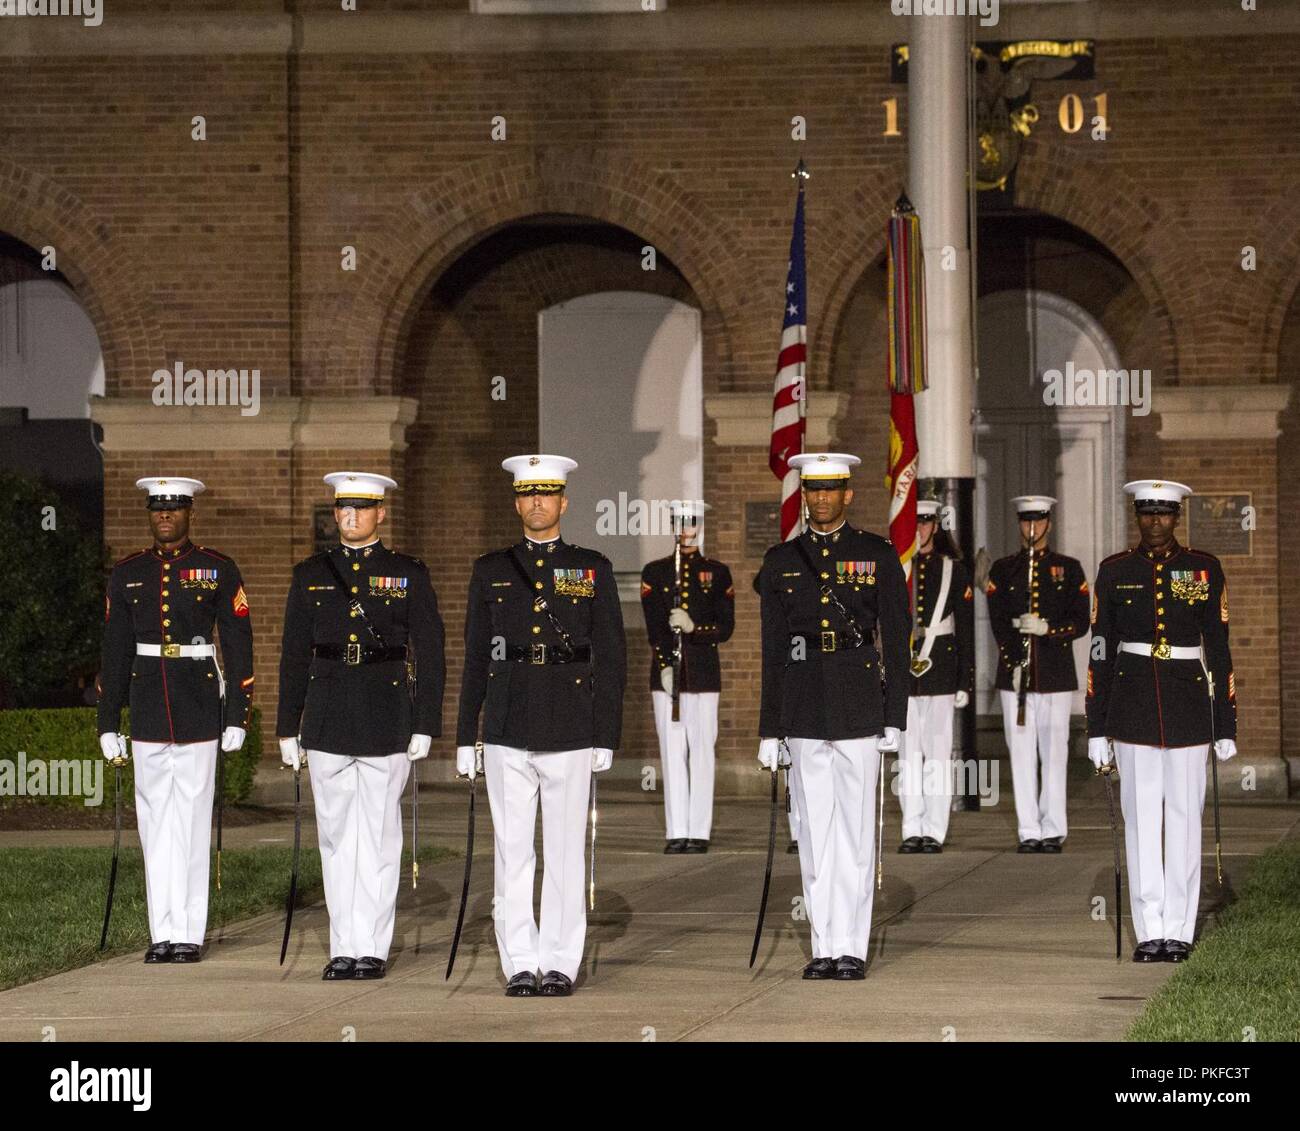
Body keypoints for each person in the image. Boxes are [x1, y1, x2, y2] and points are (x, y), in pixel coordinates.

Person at [455, 454, 627, 997]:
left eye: (547, 493)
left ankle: (560, 961)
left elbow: (613, 656)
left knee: (564, 851)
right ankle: (519, 963)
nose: (537, 502)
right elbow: (476, 654)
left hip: (571, 721)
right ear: (516, 503)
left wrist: (606, 732)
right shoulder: (491, 568)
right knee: (512, 852)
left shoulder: (590, 567)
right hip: (507, 721)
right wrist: (466, 733)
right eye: (528, 493)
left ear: (563, 503)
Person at [277, 472, 445, 981]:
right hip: (327, 714)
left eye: (361, 508)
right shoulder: (310, 573)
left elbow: (431, 651)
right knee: (334, 837)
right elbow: (292, 655)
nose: (349, 517)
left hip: (385, 712)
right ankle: (342, 944)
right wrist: (289, 726)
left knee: (377, 834)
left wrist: (425, 722)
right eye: (342, 509)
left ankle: (371, 945)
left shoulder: (406, 573)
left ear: (381, 514)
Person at [757, 452, 910, 980]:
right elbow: (772, 648)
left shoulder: (877, 554)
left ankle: (853, 946)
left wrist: (896, 716)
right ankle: (824, 945)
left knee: (855, 833)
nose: (821, 498)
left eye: (831, 489)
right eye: (812, 489)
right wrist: (769, 728)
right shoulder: (780, 560)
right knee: (814, 831)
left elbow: (896, 634)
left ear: (848, 494)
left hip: (859, 700)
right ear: (805, 494)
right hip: (801, 704)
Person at [97, 477, 253, 964]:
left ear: (190, 513)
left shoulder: (217, 569)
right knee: (154, 823)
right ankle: (160, 931)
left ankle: (188, 931)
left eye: (175, 508)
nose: (165, 516)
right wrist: (107, 722)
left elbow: (239, 645)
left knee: (190, 822)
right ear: (149, 514)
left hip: (198, 707)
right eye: (157, 509)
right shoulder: (127, 573)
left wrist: (237, 716)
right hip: (145, 709)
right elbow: (115, 652)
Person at [1086, 479, 1237, 963]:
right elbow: (1100, 650)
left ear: (1178, 516)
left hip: (1190, 707)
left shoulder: (1204, 569)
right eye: (1147, 512)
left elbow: (1219, 648)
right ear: (1137, 515)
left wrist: (1226, 722)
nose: (1155, 521)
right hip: (1131, 709)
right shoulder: (1114, 570)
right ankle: (1151, 929)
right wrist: (1095, 726)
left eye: (1165, 513)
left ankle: (1181, 928)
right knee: (1142, 819)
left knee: (1185, 819)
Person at [985, 496, 1089, 852]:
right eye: (1026, 522)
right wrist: (1013, 660)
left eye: (1038, 521)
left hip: (1056, 672)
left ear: (1049, 524)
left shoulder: (1069, 568)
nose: (1032, 528)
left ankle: (1053, 827)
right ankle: (1028, 829)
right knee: (1022, 754)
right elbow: (998, 621)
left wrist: (1049, 629)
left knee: (1055, 752)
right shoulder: (1003, 569)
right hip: (1016, 674)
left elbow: (1080, 620)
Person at [640, 500, 735, 853]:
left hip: (704, 675)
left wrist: (696, 628)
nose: (685, 528)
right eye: (679, 522)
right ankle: (676, 830)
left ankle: (700, 830)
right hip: (667, 676)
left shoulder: (717, 572)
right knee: (672, 752)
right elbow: (654, 626)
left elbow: (726, 628)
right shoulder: (655, 572)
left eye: (691, 522)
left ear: (700, 525)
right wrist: (665, 664)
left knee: (702, 752)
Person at [897, 494, 974, 854]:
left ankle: (935, 830)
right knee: (908, 754)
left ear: (936, 526)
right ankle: (911, 828)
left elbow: (967, 629)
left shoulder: (953, 569)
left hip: (941, 666)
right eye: (915, 523)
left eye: (926, 523)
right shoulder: (899, 566)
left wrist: (964, 679)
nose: (921, 529)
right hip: (905, 671)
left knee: (938, 755)